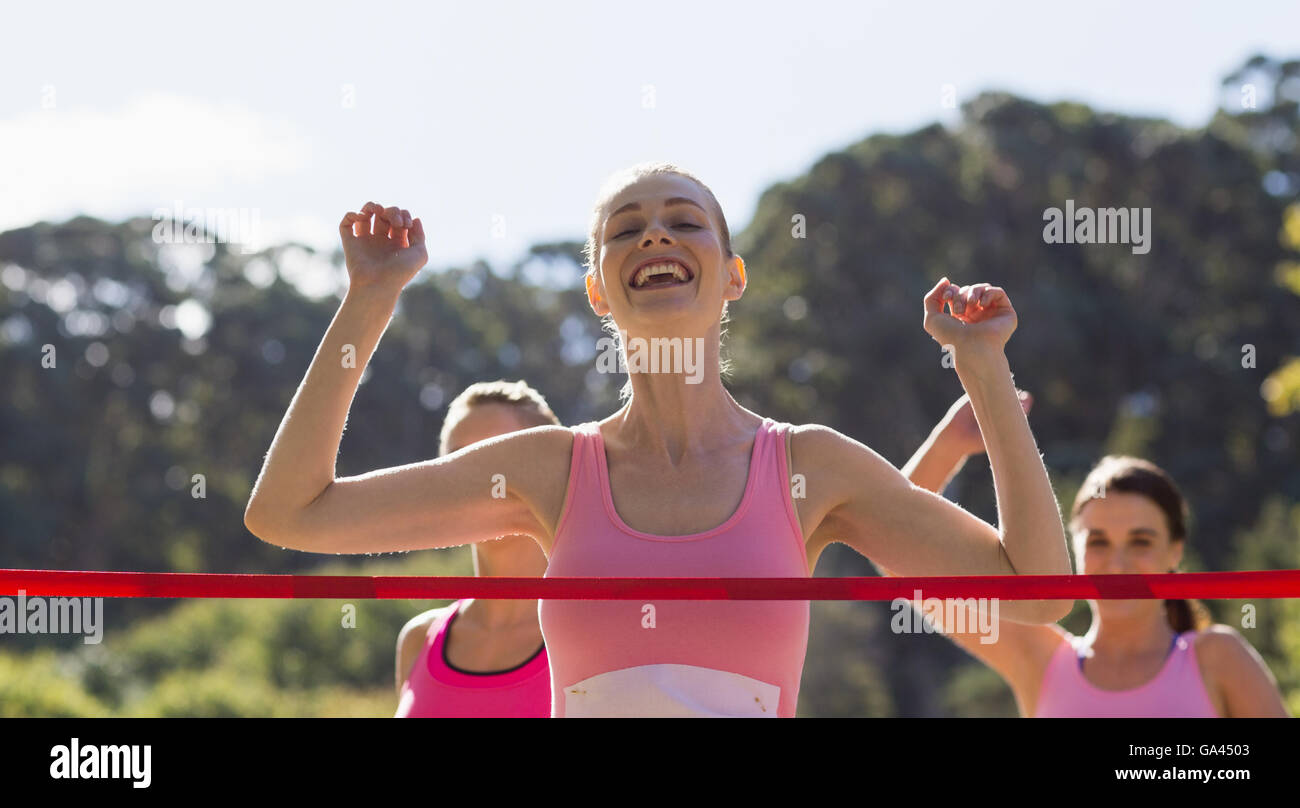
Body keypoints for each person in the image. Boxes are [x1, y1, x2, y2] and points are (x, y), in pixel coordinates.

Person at [244, 162, 1073, 717]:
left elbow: (1040, 594)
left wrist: (982, 367)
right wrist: (370, 299)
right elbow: (291, 512)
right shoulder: (550, 469)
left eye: (685, 221)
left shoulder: (811, 468)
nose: (655, 235)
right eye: (625, 229)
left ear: (734, 275)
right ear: (599, 291)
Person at [895, 394, 1289, 717]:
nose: (1117, 564)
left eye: (1140, 542)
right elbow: (897, 554)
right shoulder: (1039, 658)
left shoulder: (1218, 658)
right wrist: (948, 444)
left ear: (1175, 551)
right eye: (1098, 542)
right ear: (1074, 549)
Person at [394, 381, 556, 718]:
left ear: (548, 473)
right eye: (457, 460)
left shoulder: (591, 638)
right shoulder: (417, 640)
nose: (474, 481)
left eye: (495, 456)